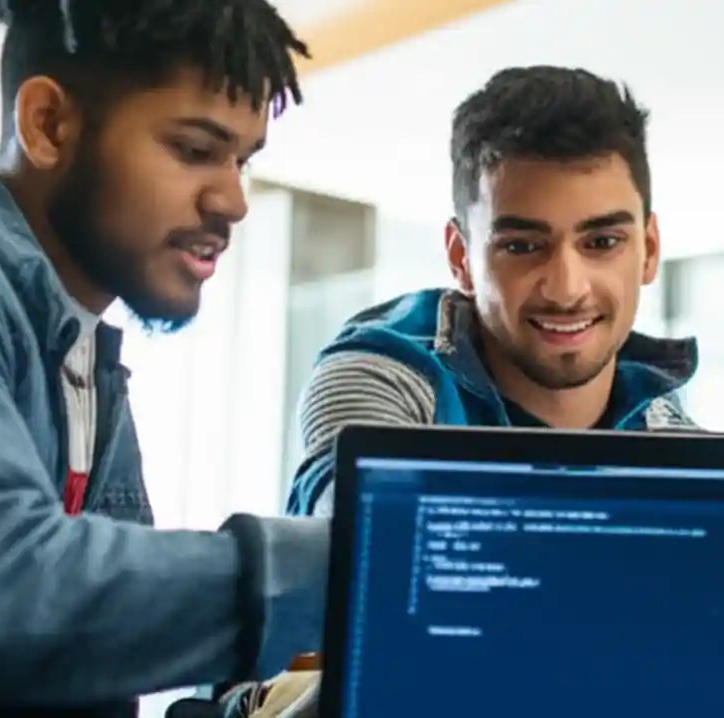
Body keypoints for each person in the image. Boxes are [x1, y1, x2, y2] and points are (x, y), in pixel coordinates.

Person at [0, 1, 329, 717]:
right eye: (195, 150)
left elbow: (79, 669)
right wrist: (362, 559)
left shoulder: (82, 353)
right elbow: (3, 595)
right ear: (47, 124)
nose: (232, 200)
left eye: (243, 161)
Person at [286, 65, 698, 518]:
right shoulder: (386, 378)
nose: (566, 289)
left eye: (601, 243)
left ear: (650, 249)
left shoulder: (679, 442)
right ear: (462, 258)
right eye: (522, 246)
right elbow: (361, 541)